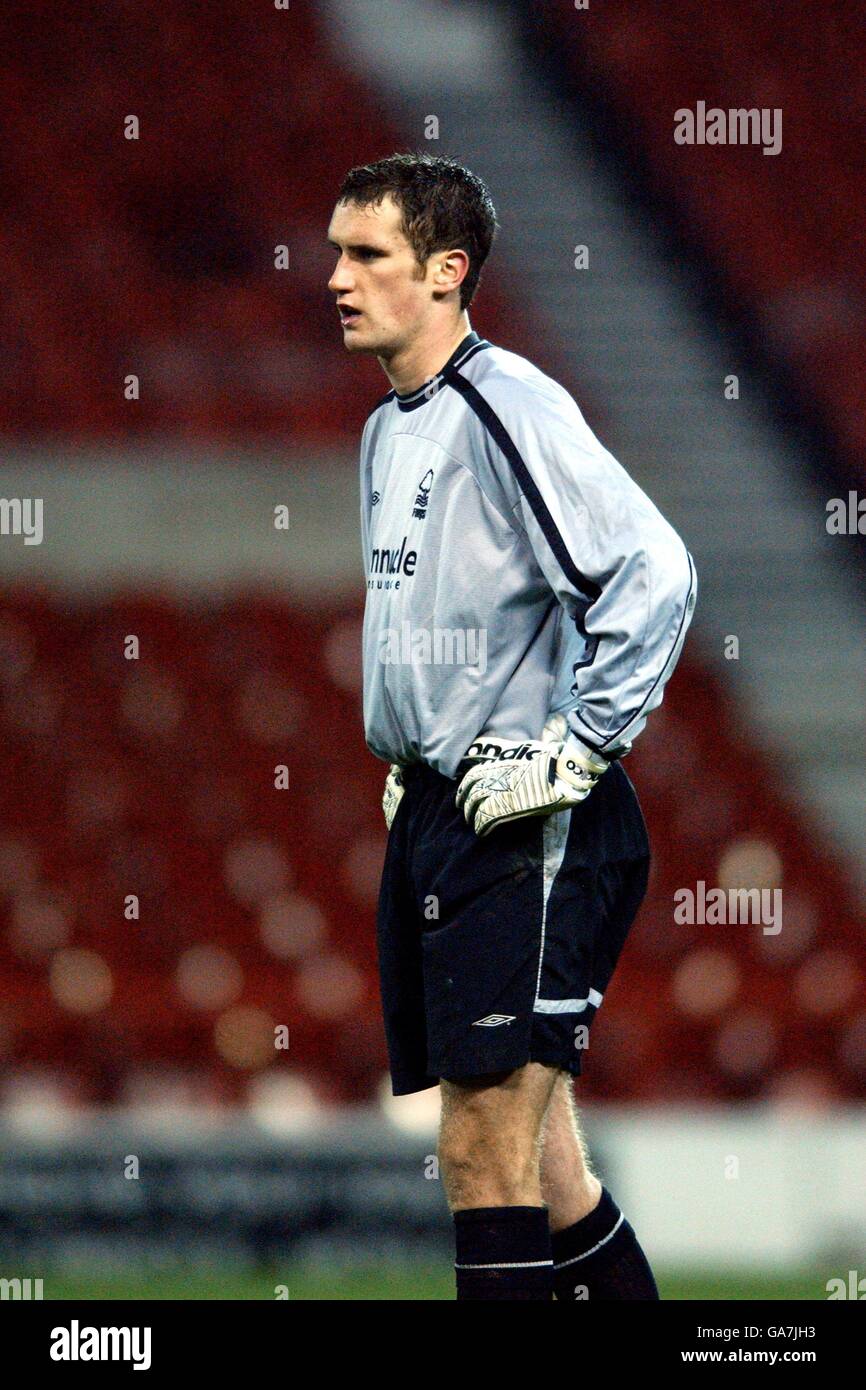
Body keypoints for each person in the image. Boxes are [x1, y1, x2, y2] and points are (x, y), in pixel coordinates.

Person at [327, 152, 697, 1301]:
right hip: (445, 807)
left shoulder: (507, 405)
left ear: (445, 273)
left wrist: (576, 745)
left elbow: (653, 571)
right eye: (336, 249)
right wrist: (416, 749)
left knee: (480, 1151)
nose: (334, 276)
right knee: (543, 1164)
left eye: (366, 254)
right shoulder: (389, 430)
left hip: (526, 819)